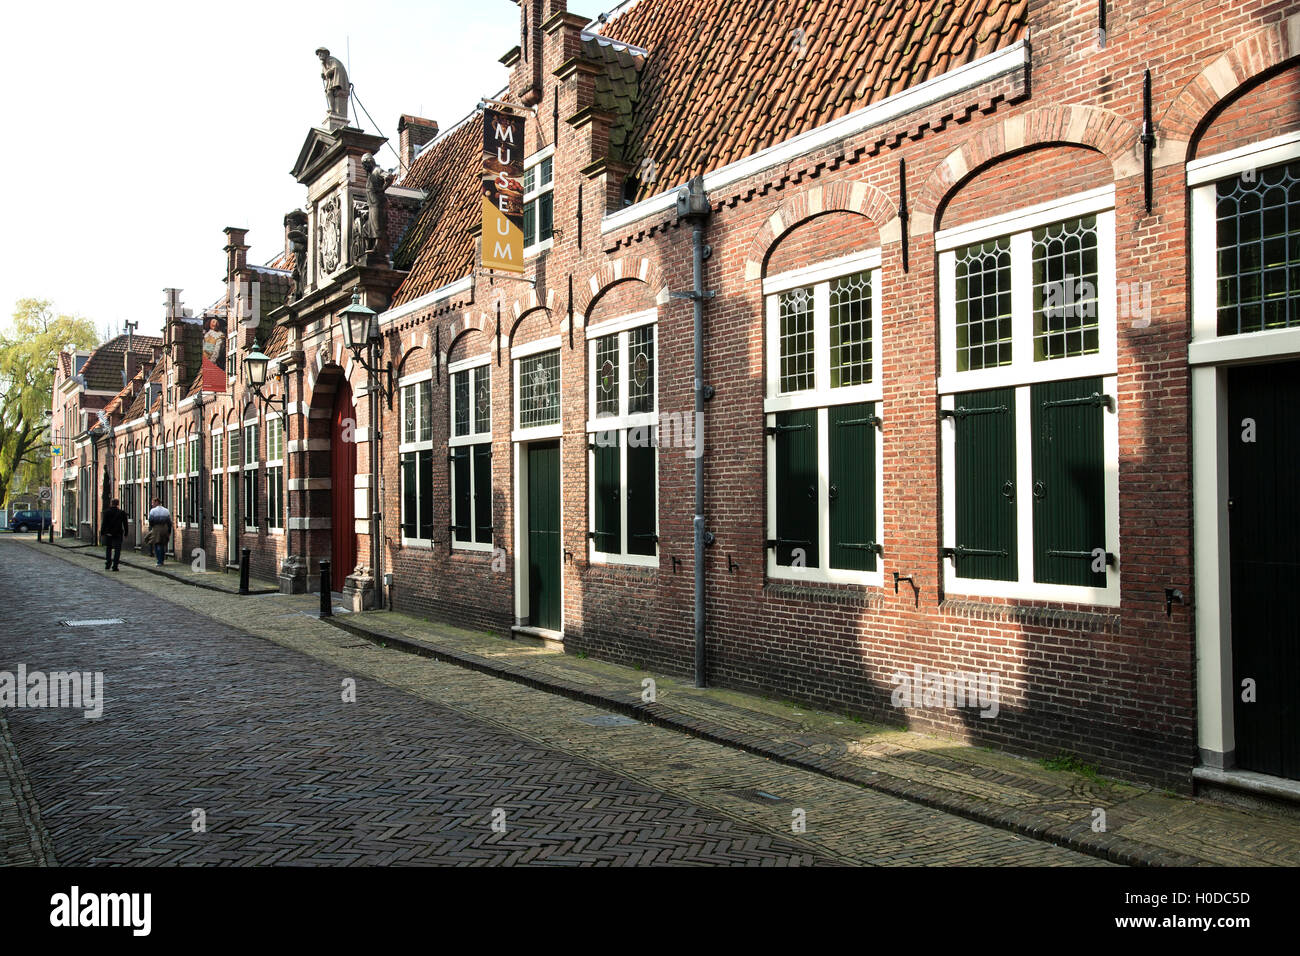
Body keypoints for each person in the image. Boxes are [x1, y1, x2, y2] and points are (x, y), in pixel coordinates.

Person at [101, 498, 129, 571]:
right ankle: (115, 565)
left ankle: (108, 563)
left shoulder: (107, 512)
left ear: (111, 503)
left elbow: (104, 523)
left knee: (108, 548)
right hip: (118, 533)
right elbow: (125, 524)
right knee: (117, 550)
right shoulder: (121, 512)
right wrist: (126, 533)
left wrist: (102, 532)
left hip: (109, 533)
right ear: (118, 504)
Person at [145, 497, 172, 567]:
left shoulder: (153, 511)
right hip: (165, 528)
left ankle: (159, 561)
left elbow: (150, 520)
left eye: (153, 503)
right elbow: (169, 522)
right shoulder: (166, 510)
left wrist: (152, 526)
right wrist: (169, 531)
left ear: (156, 502)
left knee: (157, 544)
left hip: (156, 528)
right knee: (162, 544)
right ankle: (162, 559)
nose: (152, 504)